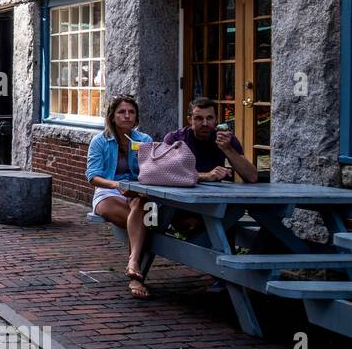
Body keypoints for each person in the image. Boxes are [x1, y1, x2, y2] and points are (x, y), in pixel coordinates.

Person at [88, 95, 155, 299]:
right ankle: (136, 275)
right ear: (112, 116)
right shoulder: (100, 141)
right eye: (122, 112)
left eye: (131, 112)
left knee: (141, 209)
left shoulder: (144, 140)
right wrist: (117, 184)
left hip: (137, 192)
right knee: (142, 222)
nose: (127, 116)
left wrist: (138, 187)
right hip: (108, 190)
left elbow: (151, 171)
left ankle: (133, 264)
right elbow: (92, 176)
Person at [163, 98, 259, 184]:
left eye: (209, 118)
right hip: (181, 196)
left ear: (216, 119)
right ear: (189, 120)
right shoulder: (175, 139)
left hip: (214, 196)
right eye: (199, 118)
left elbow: (252, 177)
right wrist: (207, 176)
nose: (205, 123)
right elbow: (165, 173)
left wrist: (227, 149)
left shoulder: (224, 138)